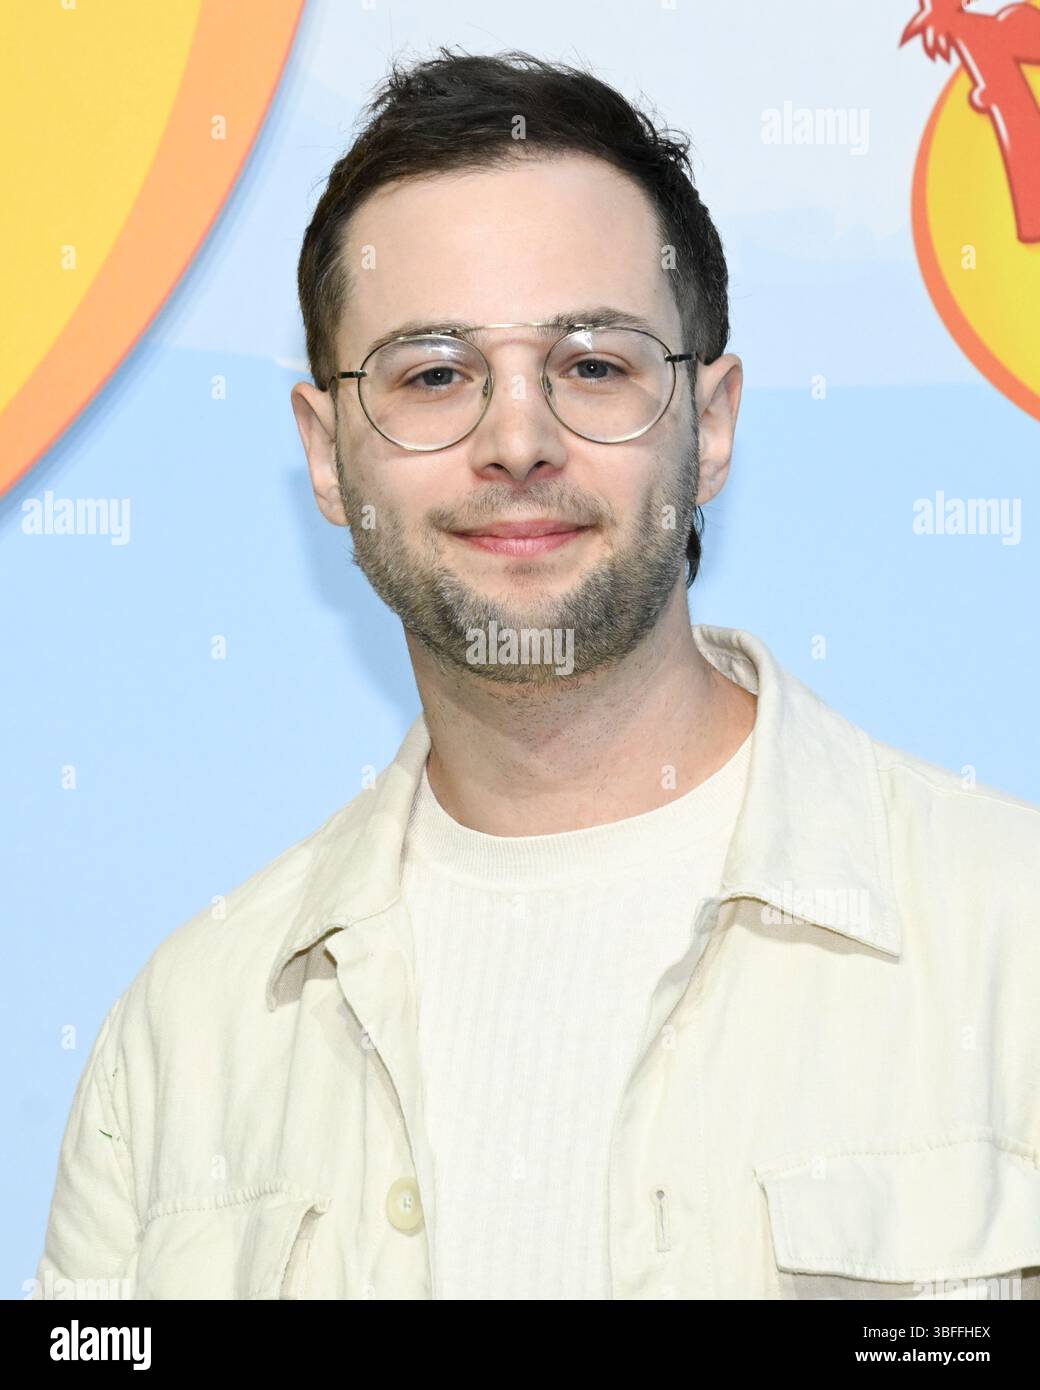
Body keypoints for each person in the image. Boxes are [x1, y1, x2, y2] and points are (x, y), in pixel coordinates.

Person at [34, 47, 1040, 1302]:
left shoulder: (1015, 950)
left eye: (592, 366)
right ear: (328, 454)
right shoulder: (180, 1046)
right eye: (435, 374)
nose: (517, 440)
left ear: (710, 422)